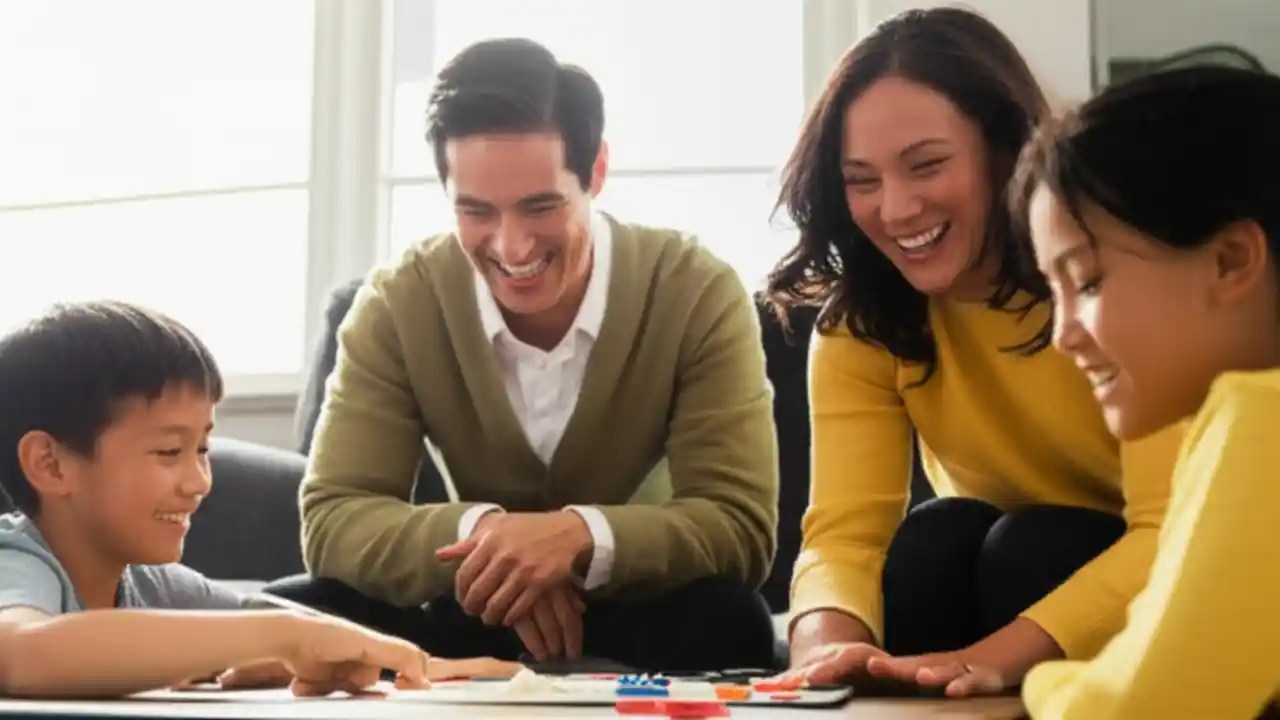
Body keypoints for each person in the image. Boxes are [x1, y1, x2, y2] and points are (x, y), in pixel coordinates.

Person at [269, 37, 780, 672]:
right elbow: (334, 519)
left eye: (541, 207)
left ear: (595, 172)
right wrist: (491, 542)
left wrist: (574, 538)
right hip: (465, 602)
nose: (511, 248)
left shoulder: (695, 289)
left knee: (730, 620)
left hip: (630, 600)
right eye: (476, 212)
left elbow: (739, 526)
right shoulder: (397, 302)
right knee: (291, 615)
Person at [766, 7, 1182, 694]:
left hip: (1159, 578)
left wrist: (995, 655)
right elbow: (845, 538)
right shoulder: (863, 324)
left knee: (1029, 547)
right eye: (862, 180)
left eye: (926, 165)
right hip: (993, 578)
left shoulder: (1119, 281)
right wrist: (823, 655)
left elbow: (1175, 529)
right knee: (939, 537)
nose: (895, 210)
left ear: (1005, 150)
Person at [1008, 65, 1280, 719]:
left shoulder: (1262, 422)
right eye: (1055, 292)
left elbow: (1140, 708)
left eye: (1089, 282)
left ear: (1231, 261)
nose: (1063, 335)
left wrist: (1043, 688)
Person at [0, 301, 433, 698]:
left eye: (202, 450)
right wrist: (283, 638)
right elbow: (20, 653)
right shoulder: (14, 560)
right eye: (170, 452)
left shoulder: (154, 583)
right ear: (50, 465)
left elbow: (268, 622)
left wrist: (395, 661)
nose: (199, 482)